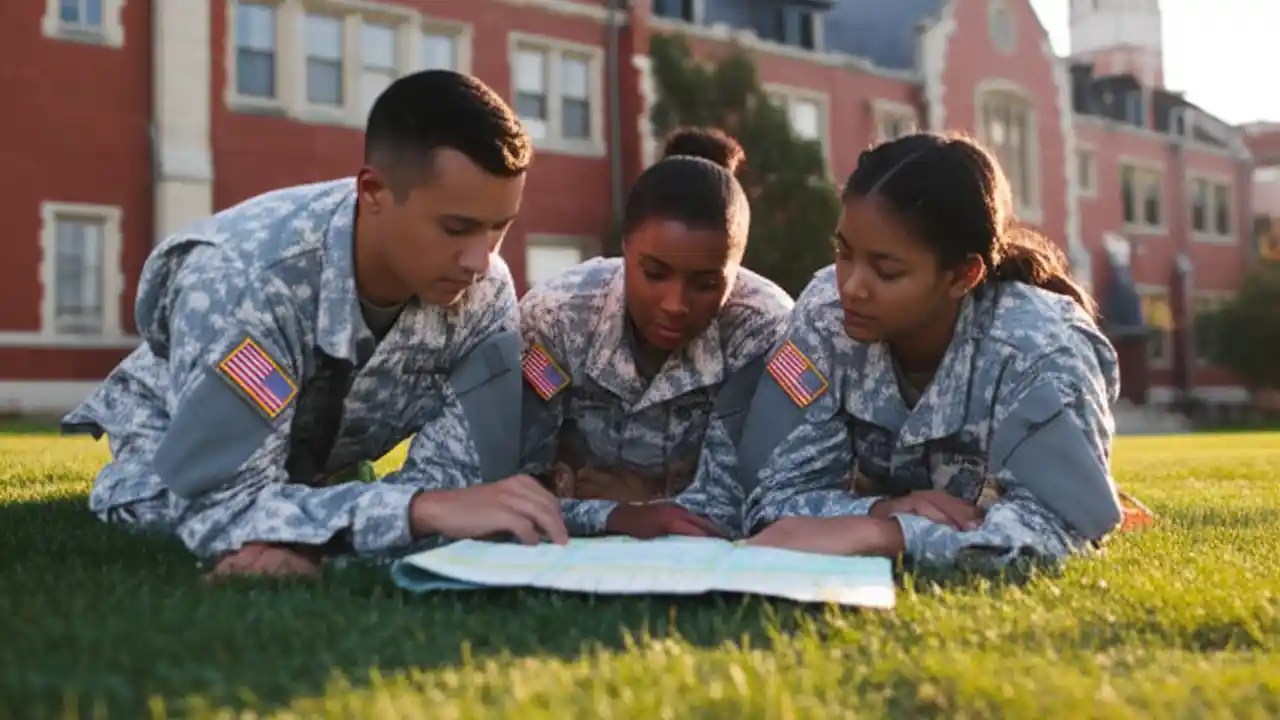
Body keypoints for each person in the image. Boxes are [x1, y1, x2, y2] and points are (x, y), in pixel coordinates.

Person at [60, 70, 568, 579]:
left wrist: (350, 525)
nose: (480, 260)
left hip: (321, 467)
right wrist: (412, 512)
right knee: (163, 512)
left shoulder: (487, 291)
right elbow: (217, 507)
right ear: (373, 191)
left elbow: (465, 485)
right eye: (456, 228)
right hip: (172, 460)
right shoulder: (248, 279)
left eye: (499, 228)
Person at [736, 131, 1135, 568]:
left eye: (886, 271)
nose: (851, 287)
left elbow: (1066, 529)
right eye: (843, 253)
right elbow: (773, 495)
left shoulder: (1039, 347)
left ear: (963, 274)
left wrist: (889, 536)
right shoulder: (823, 313)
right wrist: (878, 510)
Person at [519, 127, 793, 539]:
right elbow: (512, 486)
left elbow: (757, 500)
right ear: (624, 249)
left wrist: (635, 498)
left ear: (737, 269)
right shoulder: (557, 317)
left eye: (705, 284)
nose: (674, 304)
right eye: (654, 273)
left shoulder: (764, 328)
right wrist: (615, 517)